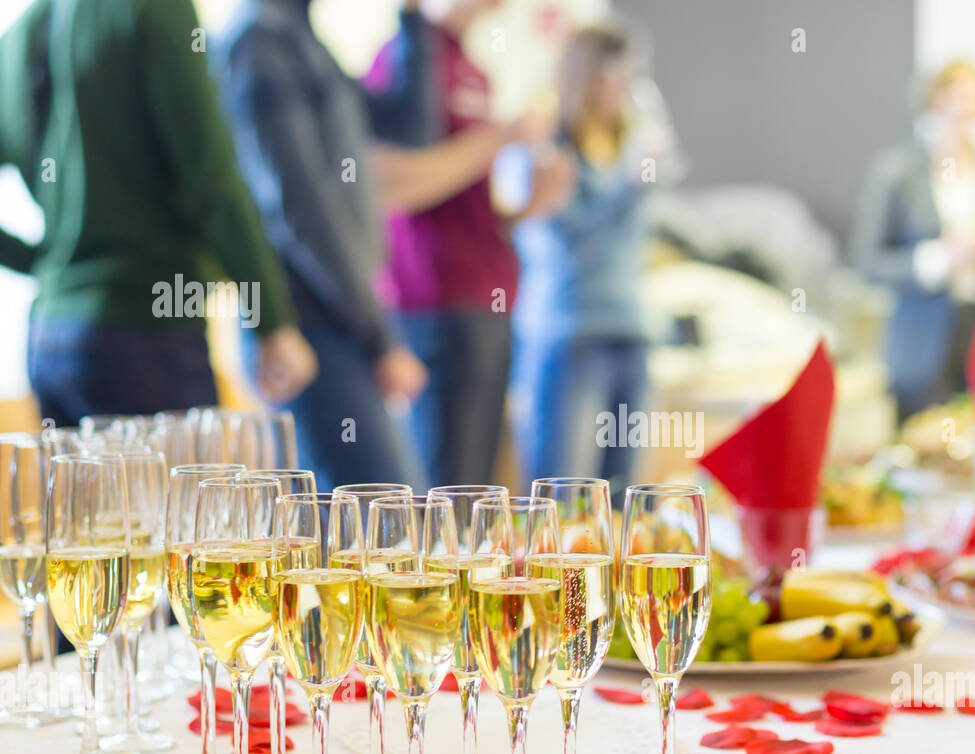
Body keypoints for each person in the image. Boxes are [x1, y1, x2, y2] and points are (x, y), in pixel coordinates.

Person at [213, 0, 527, 489]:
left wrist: (411, 16)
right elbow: (299, 210)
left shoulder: (305, 41)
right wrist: (380, 336)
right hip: (307, 325)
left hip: (339, 321)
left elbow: (411, 132)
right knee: (383, 522)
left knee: (370, 527)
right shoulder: (261, 40)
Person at [0, 0, 316, 425]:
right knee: (184, 493)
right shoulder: (155, 8)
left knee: (83, 494)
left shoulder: (23, 32)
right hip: (144, 329)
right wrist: (272, 320)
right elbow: (211, 177)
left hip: (51, 335)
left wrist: (44, 261)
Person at [364, 0, 569, 488]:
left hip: (491, 297)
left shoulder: (476, 69)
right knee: (443, 495)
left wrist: (528, 205)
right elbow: (391, 186)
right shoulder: (403, 58)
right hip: (435, 301)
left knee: (480, 492)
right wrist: (499, 138)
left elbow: (470, 203)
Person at [503, 25, 654, 494]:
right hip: (567, 336)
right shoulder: (545, 149)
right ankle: (561, 577)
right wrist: (630, 189)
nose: (622, 87)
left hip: (630, 332)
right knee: (560, 497)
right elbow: (560, 238)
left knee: (627, 502)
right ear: (584, 77)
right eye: (612, 74)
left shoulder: (628, 146)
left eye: (629, 74)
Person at [850, 60, 975, 421]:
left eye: (971, 97)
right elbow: (866, 263)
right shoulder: (898, 172)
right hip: (919, 342)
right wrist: (940, 258)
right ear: (934, 100)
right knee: (922, 451)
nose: (963, 107)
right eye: (953, 96)